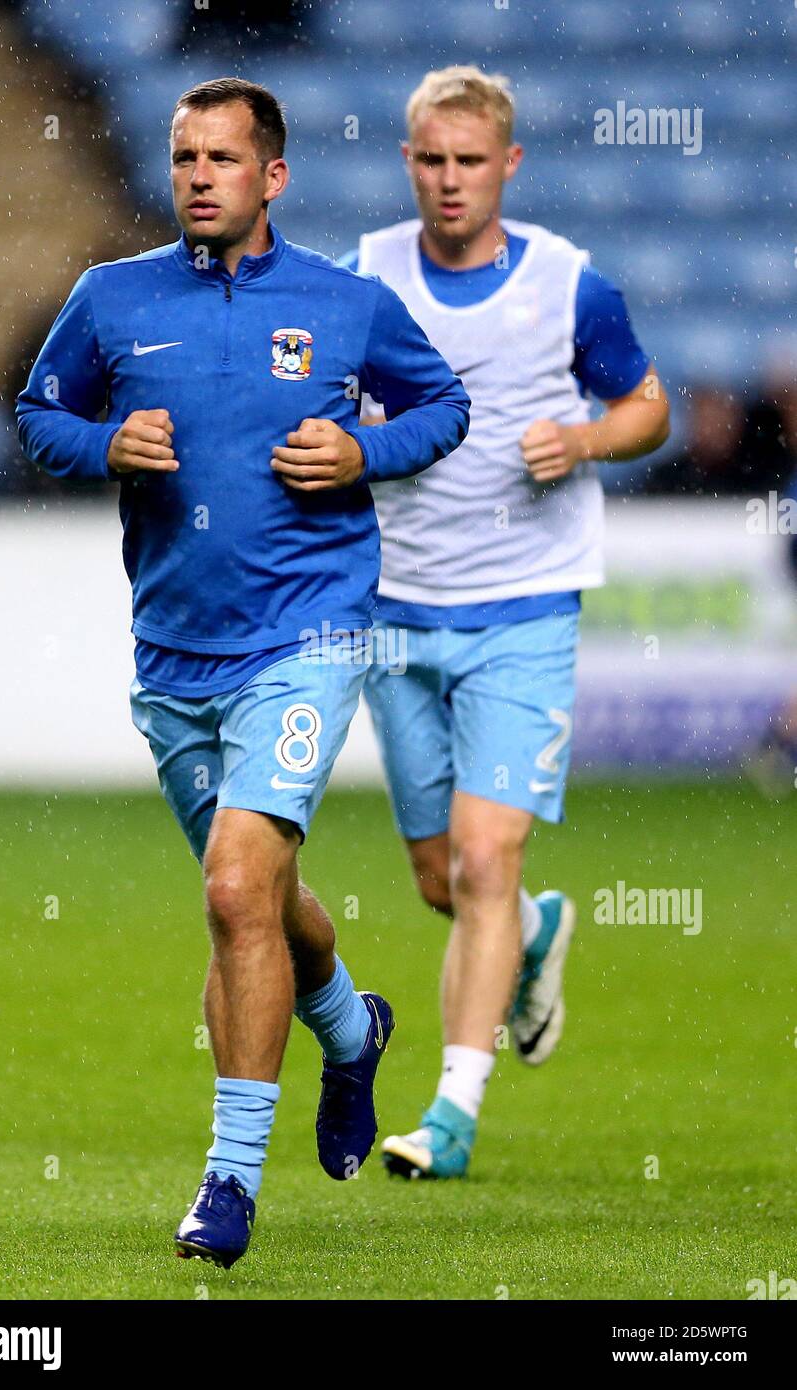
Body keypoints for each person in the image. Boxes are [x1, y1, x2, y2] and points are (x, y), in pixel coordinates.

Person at [16, 77, 469, 1262]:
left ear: (272, 176)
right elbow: (36, 412)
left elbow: (443, 407)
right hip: (174, 653)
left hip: (309, 635)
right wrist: (100, 441)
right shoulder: (111, 300)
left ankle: (227, 1182)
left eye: (221, 158)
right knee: (261, 902)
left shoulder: (345, 304)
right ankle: (350, 1026)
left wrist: (363, 447)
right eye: (182, 158)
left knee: (230, 894)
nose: (197, 176)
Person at [339, 66, 669, 1179]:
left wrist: (580, 441)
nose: (447, 181)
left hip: (522, 611)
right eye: (429, 160)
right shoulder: (367, 274)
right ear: (406, 160)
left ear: (507, 165)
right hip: (394, 612)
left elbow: (646, 404)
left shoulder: (569, 283)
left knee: (485, 859)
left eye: (468, 162)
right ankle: (533, 933)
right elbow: (326, 400)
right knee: (443, 878)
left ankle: (451, 1113)